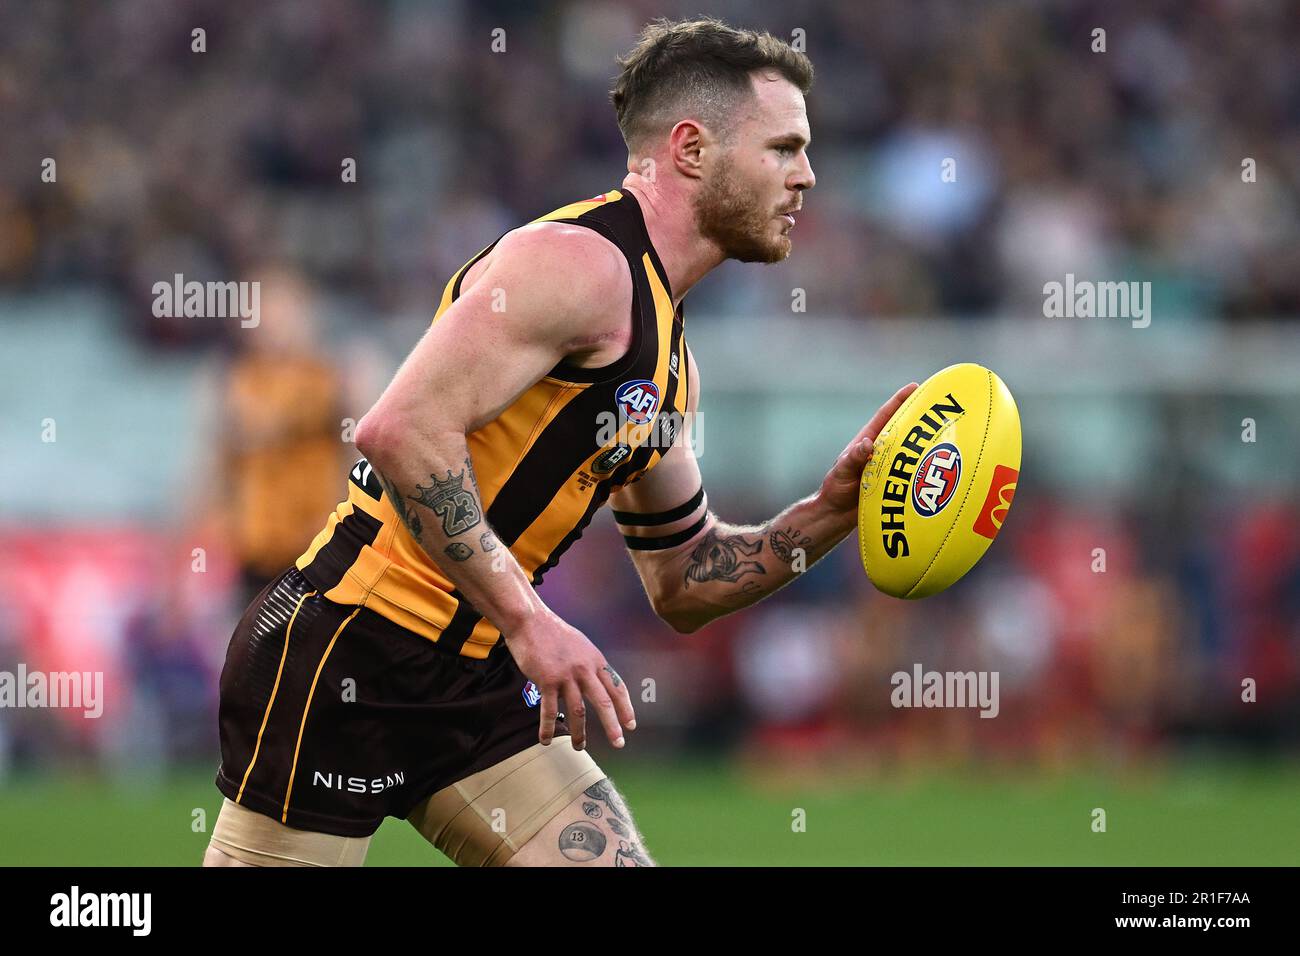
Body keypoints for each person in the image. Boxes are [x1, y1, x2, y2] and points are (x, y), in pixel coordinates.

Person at [205, 15, 916, 868]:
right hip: (347, 649)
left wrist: (829, 513)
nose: (808, 176)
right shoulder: (579, 265)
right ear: (691, 149)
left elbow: (684, 577)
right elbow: (399, 430)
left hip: (473, 679)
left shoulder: (670, 356)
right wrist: (528, 620)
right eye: (784, 148)